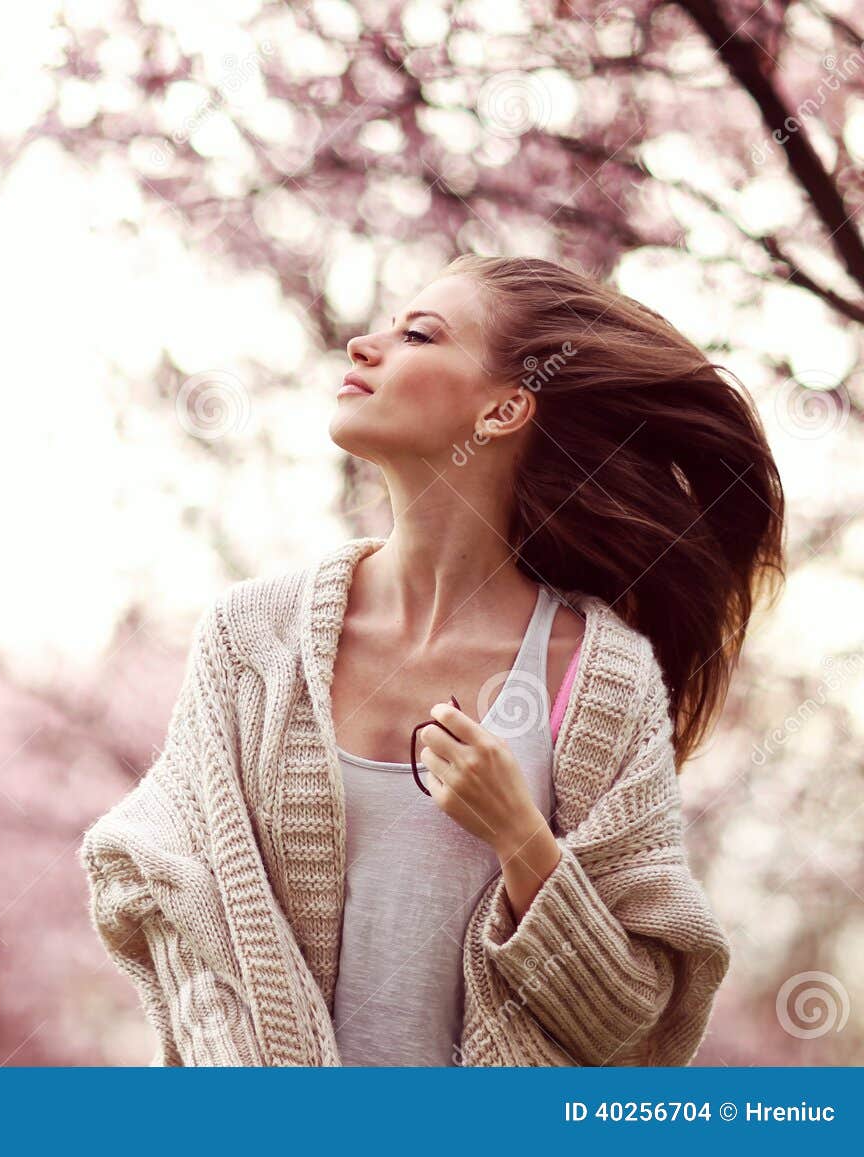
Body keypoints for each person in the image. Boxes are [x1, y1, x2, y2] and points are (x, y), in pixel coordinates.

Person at [78, 255, 785, 1066]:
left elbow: (631, 1014)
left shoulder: (602, 677)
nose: (362, 345)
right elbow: (156, 883)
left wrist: (523, 839)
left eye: (417, 334)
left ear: (505, 406)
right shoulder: (251, 637)